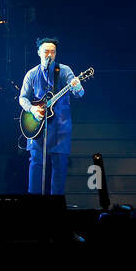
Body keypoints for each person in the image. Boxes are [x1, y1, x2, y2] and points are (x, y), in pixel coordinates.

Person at [18, 37, 85, 195]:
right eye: (46, 51)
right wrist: (33, 109)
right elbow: (23, 98)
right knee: (35, 164)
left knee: (60, 166)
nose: (49, 55)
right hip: (38, 124)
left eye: (53, 52)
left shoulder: (64, 70)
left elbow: (80, 94)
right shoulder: (32, 74)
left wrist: (78, 86)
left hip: (60, 126)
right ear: (39, 53)